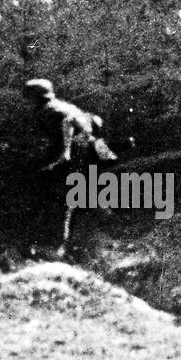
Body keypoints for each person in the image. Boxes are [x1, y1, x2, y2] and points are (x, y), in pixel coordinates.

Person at [22, 78, 118, 258]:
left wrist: (62, 154)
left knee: (64, 199)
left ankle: (60, 247)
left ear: (35, 98)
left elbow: (66, 126)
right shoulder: (64, 105)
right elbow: (92, 120)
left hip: (77, 151)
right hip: (90, 148)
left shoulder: (48, 111)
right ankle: (107, 218)